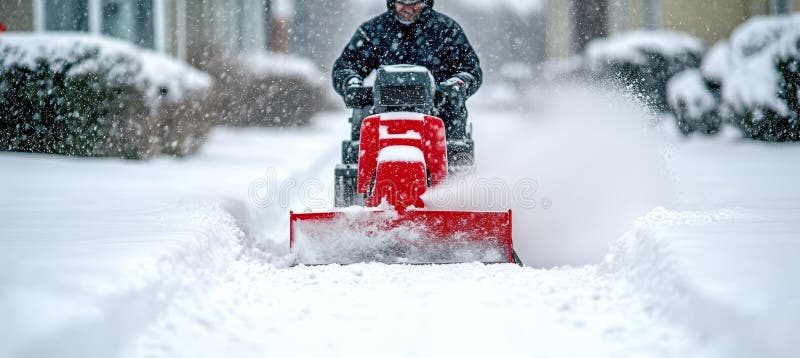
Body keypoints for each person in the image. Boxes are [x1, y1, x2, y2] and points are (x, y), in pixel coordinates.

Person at [332, 0, 482, 139]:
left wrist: (458, 84)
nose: (408, 8)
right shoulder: (373, 31)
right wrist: (350, 84)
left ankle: (454, 163)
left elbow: (470, 69)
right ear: (392, 2)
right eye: (402, 2)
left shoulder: (446, 30)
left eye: (414, 2)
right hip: (383, 113)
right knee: (362, 124)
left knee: (453, 114)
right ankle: (364, 162)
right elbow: (346, 66)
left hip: (440, 112)